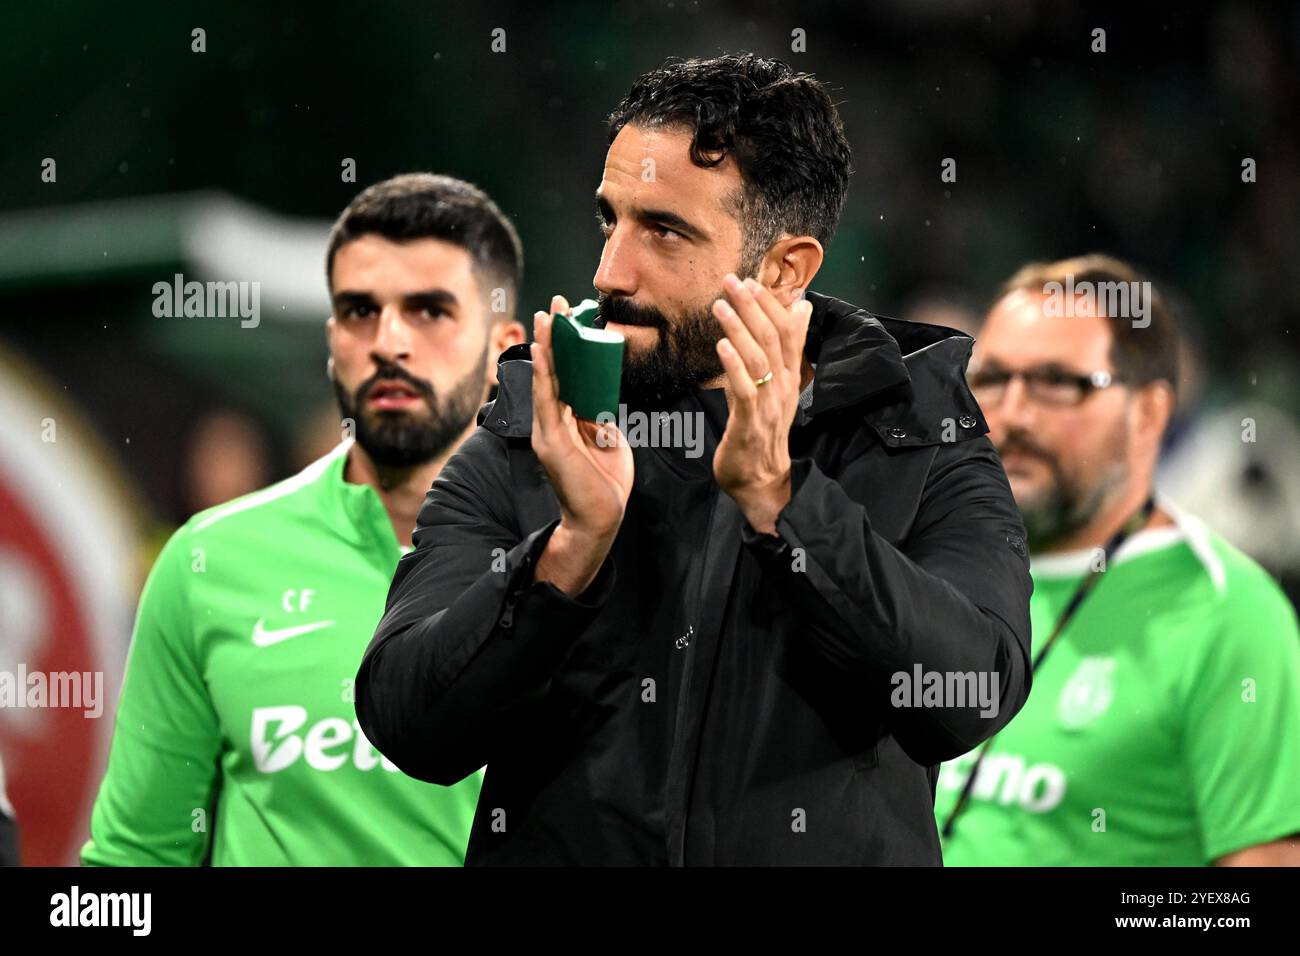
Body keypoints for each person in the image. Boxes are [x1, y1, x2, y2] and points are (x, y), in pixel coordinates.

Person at [356, 55, 1033, 866]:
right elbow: (410, 724)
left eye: (665, 232)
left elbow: (969, 696)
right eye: (612, 220)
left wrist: (787, 507)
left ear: (786, 269)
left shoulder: (917, 428)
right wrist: (568, 556)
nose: (611, 272)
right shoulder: (531, 423)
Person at [82, 173, 526, 865]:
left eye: (429, 311)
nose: (388, 343)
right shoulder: (209, 561)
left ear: (505, 348)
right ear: (331, 339)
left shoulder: (578, 556)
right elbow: (137, 859)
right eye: (358, 311)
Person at [934, 254, 1300, 865]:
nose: (1013, 415)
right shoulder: (926, 567)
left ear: (1149, 412)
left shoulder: (1229, 615)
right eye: (992, 379)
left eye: (1058, 382)